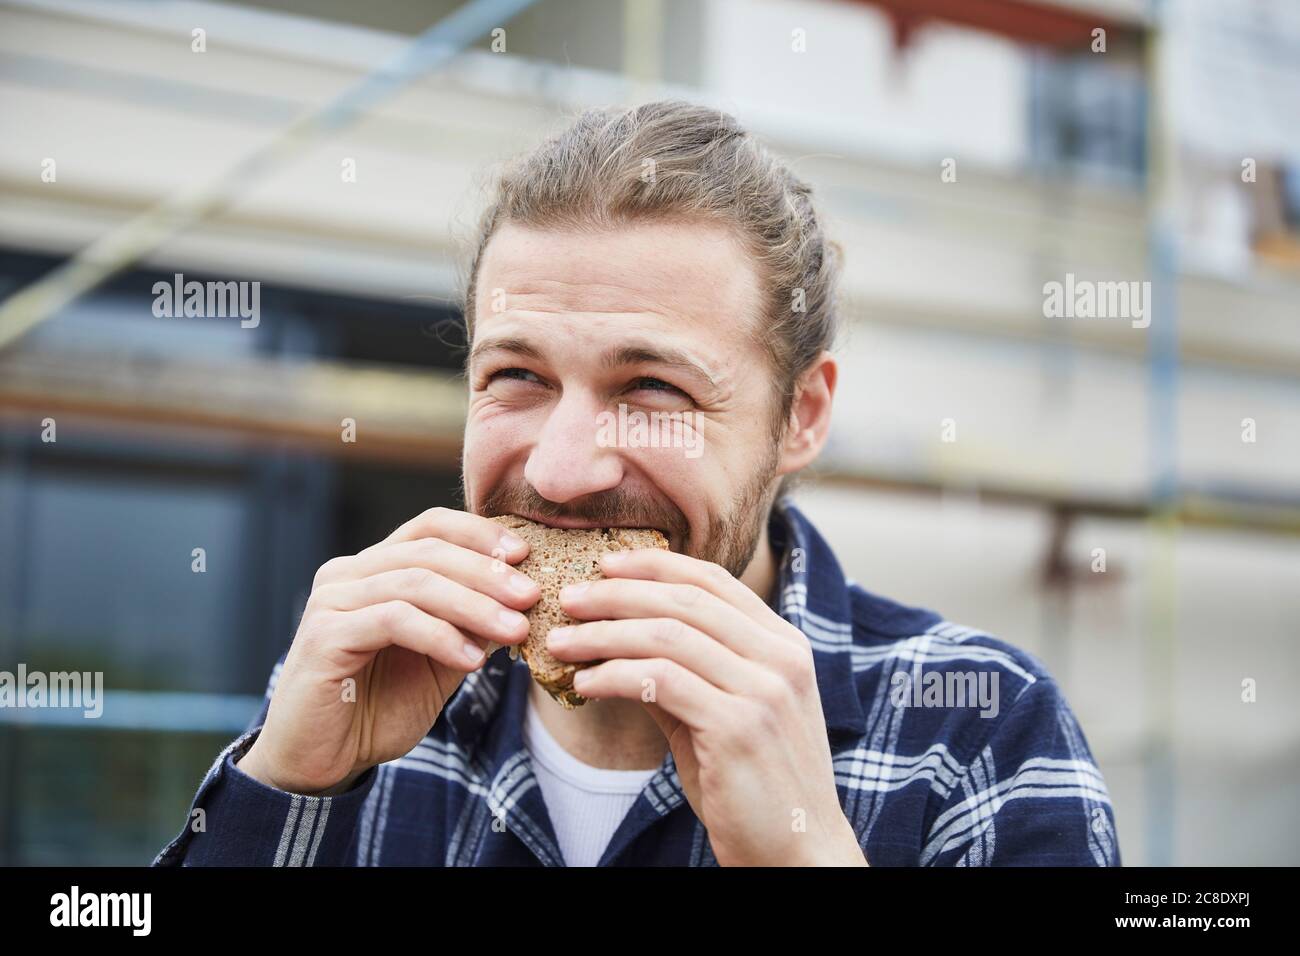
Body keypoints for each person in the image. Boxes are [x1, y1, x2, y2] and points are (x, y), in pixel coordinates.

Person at [154, 101, 1119, 867]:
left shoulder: (978, 733)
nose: (561, 471)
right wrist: (279, 791)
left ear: (801, 417)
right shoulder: (361, 695)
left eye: (651, 387)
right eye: (517, 377)